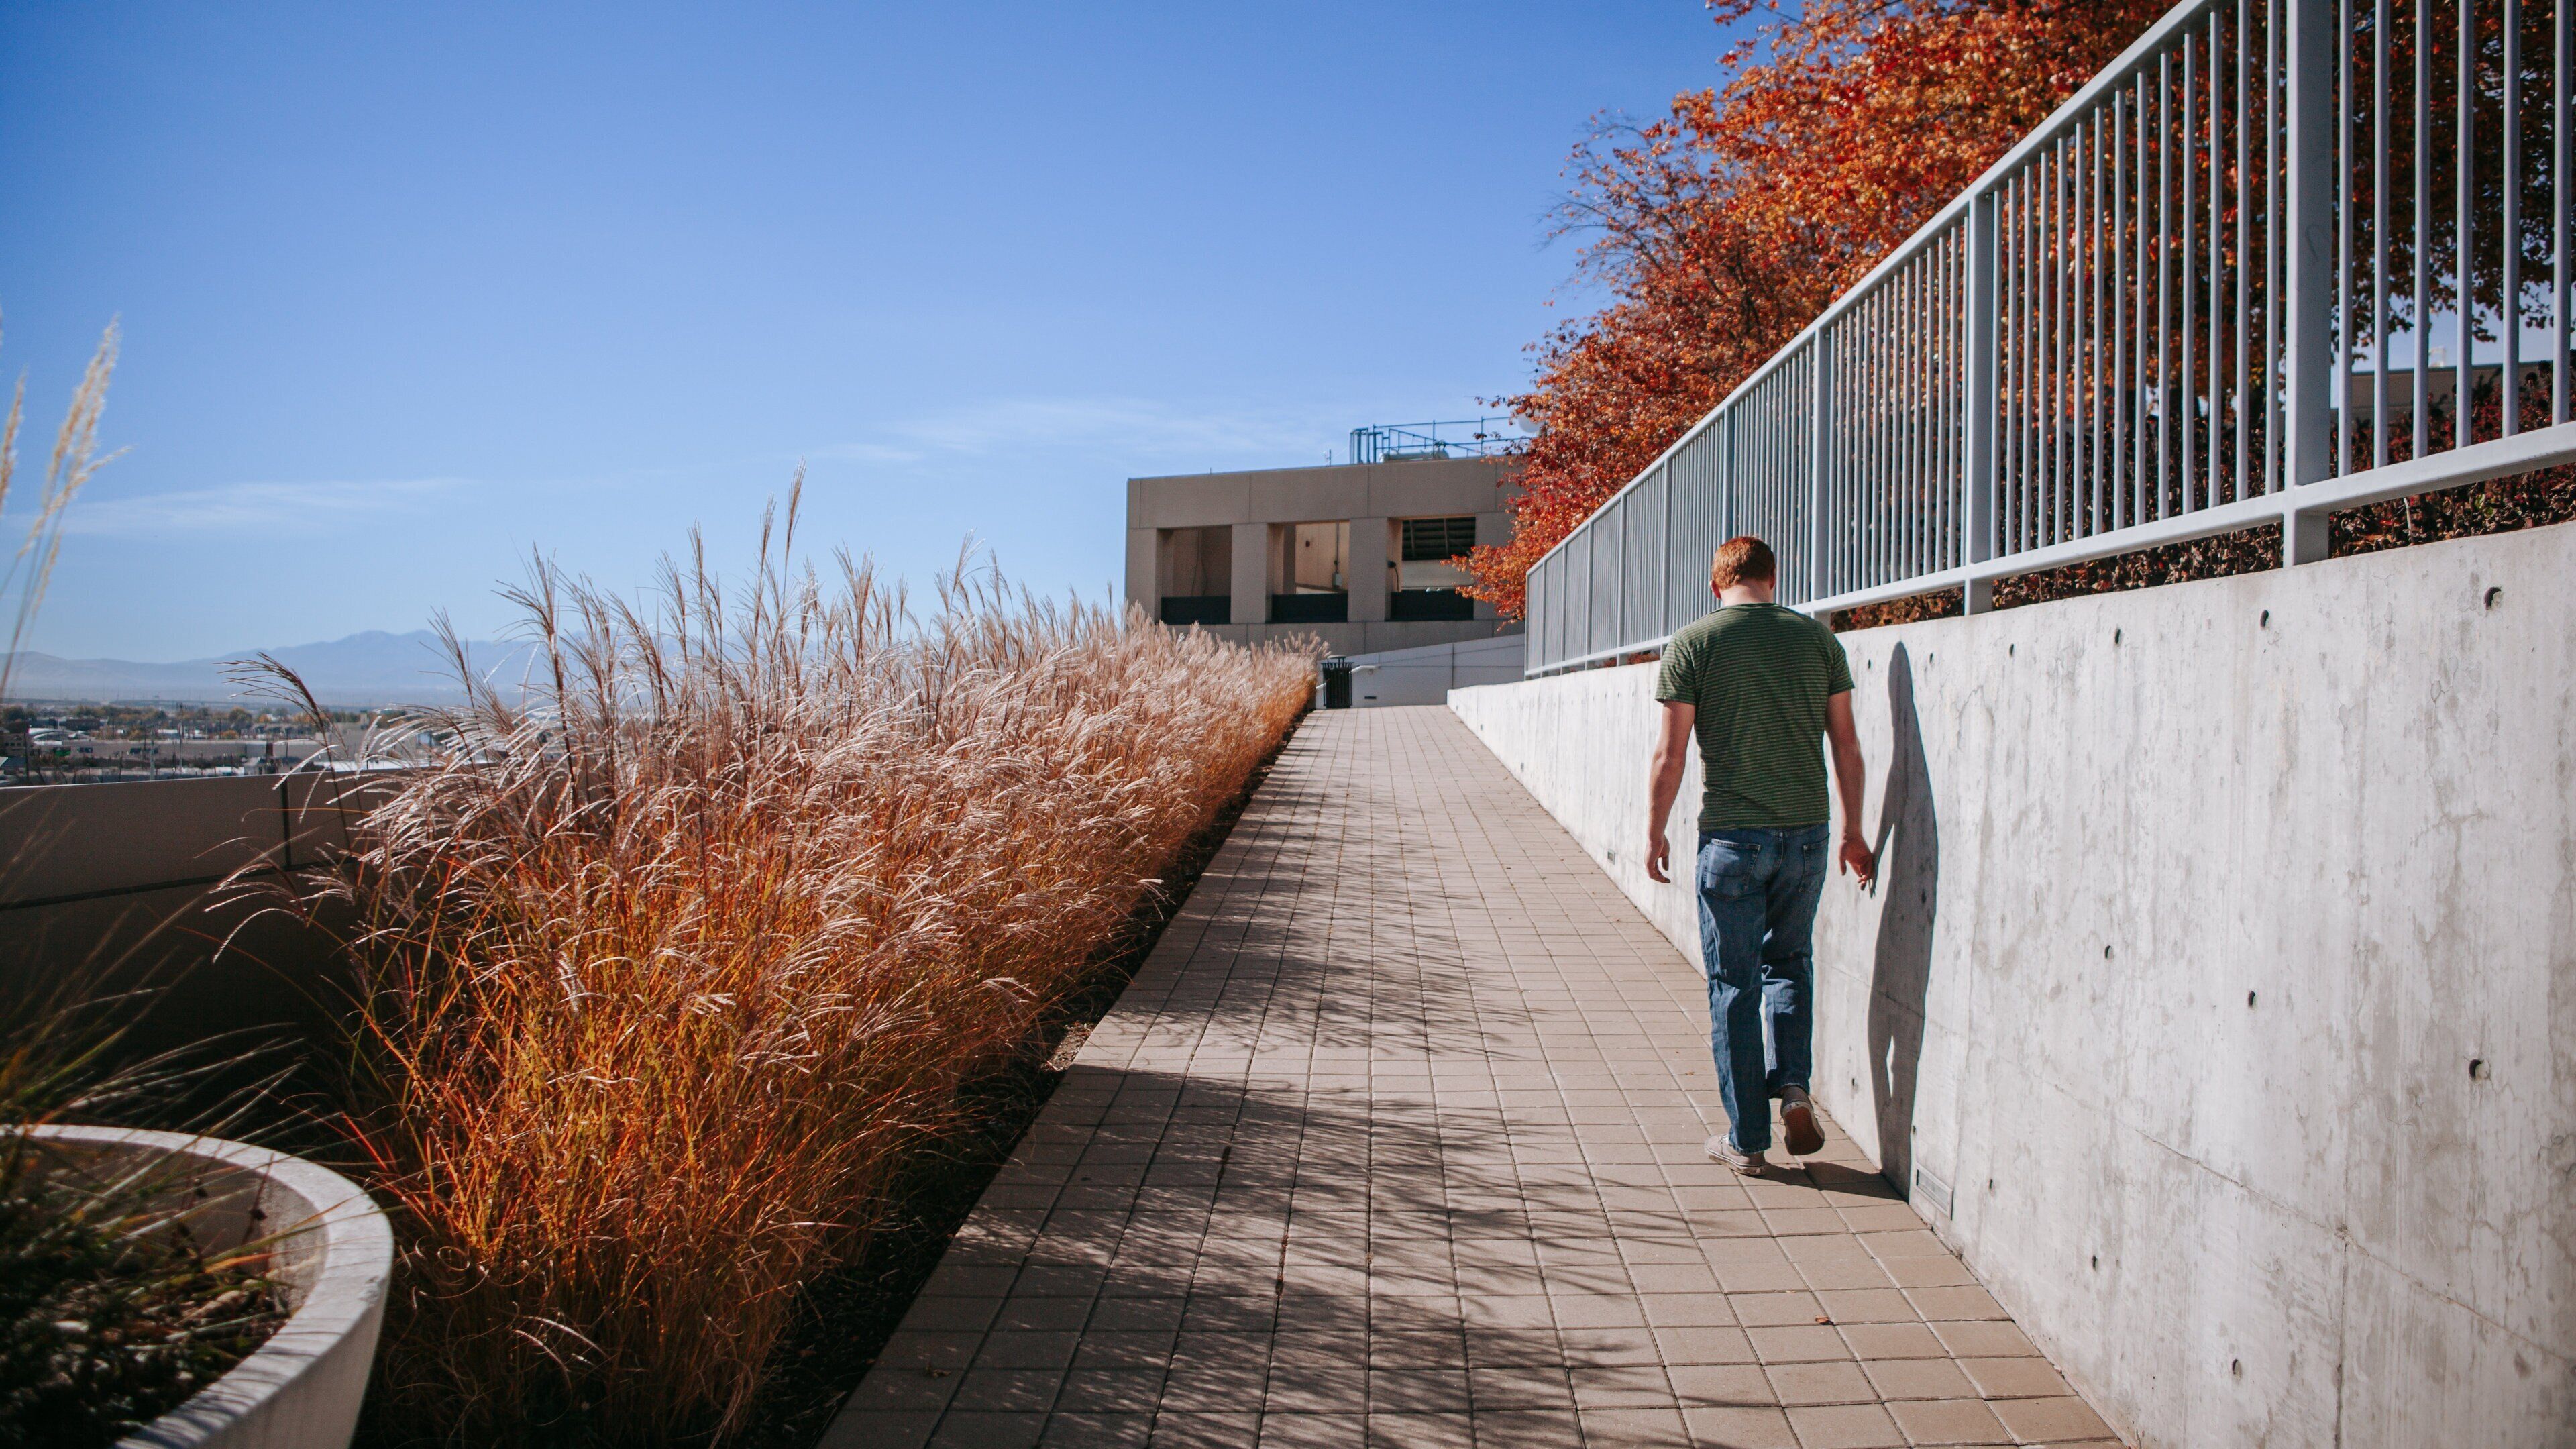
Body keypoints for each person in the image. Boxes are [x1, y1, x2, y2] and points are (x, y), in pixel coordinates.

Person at [1644, 535, 1876, 1175]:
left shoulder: (1694, 641)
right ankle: (1794, 1088)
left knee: (1733, 985)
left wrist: (1655, 830)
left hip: (1732, 839)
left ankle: (1747, 1140)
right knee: (1790, 963)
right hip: (1807, 835)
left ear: (1716, 585)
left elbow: (1671, 753)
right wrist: (1855, 831)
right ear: (1772, 580)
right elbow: (1848, 747)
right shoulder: (1817, 641)